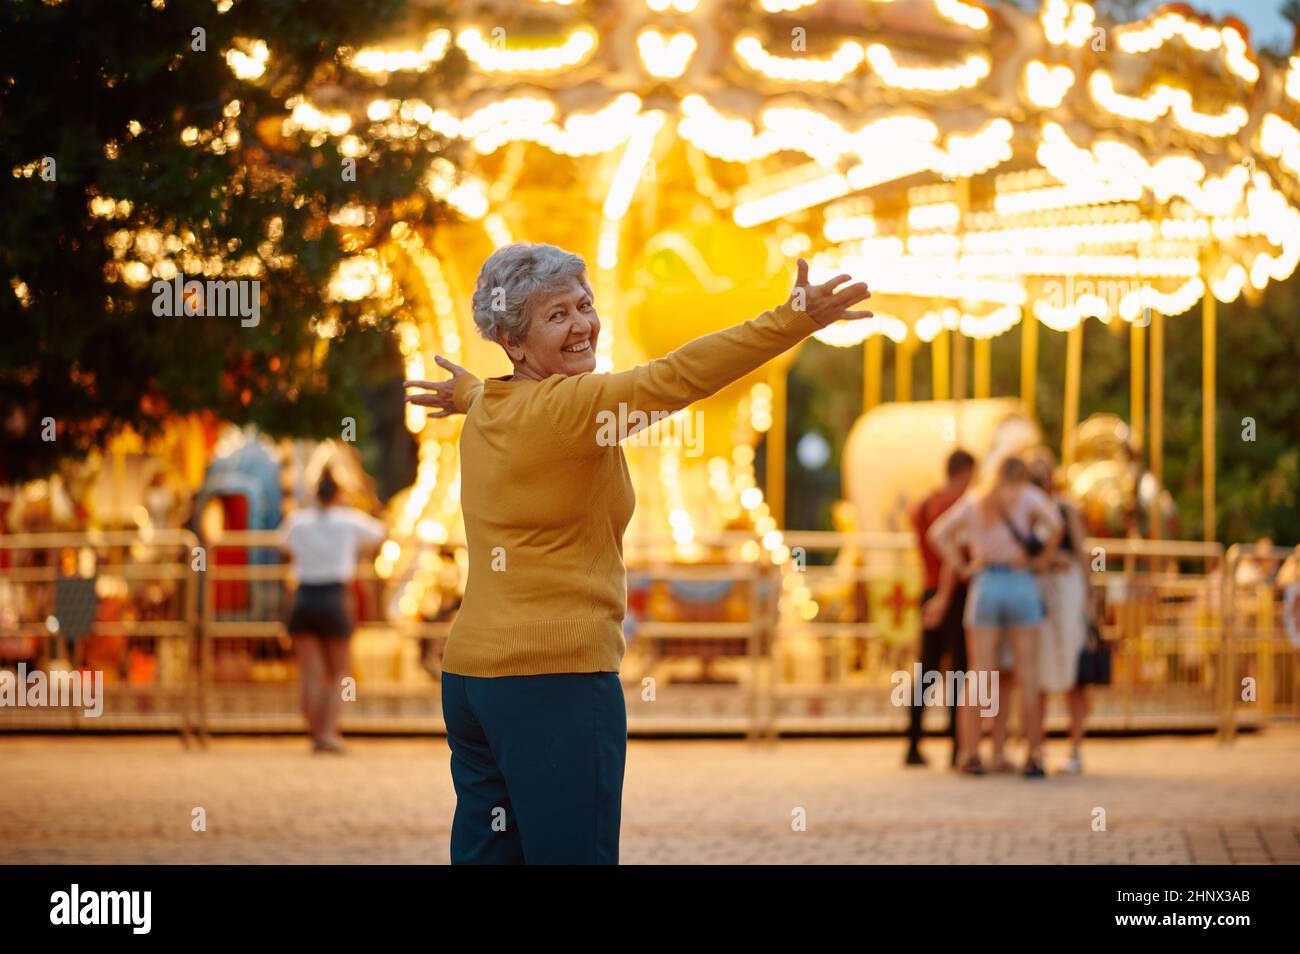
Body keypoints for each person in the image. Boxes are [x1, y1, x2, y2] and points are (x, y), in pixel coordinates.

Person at [405, 244, 871, 864]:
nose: (583, 325)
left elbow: (496, 399)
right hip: (554, 679)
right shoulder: (575, 407)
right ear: (515, 344)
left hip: (473, 680)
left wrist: (467, 393)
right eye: (557, 316)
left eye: (585, 305)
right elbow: (679, 376)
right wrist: (795, 318)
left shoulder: (492, 405)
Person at [928, 456, 1062, 778]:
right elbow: (1056, 524)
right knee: (1027, 673)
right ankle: (1033, 754)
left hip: (986, 583)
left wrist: (961, 566)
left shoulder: (977, 499)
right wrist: (1040, 560)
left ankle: (971, 753)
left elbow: (937, 533)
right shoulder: (1028, 497)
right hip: (1020, 583)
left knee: (979, 674)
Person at [278, 467, 387, 754]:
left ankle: (314, 733)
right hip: (335, 596)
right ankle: (329, 731)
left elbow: (281, 544)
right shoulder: (348, 520)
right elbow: (380, 534)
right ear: (338, 494)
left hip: (304, 596)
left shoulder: (298, 521)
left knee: (310, 672)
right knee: (340, 670)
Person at [908, 449, 976, 768]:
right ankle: (956, 744)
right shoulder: (957, 507)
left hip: (927, 586)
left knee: (927, 669)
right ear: (965, 473)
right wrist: (947, 596)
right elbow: (953, 555)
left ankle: (913, 741)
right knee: (958, 670)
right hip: (953, 592)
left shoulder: (920, 506)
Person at [1028, 456, 1091, 774]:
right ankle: (1036, 748)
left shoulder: (1065, 510)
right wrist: (1050, 561)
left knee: (1072, 671)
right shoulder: (1023, 513)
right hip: (1039, 592)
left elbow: (1082, 552)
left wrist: (1090, 598)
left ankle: (1075, 748)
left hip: (1066, 594)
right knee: (1037, 670)